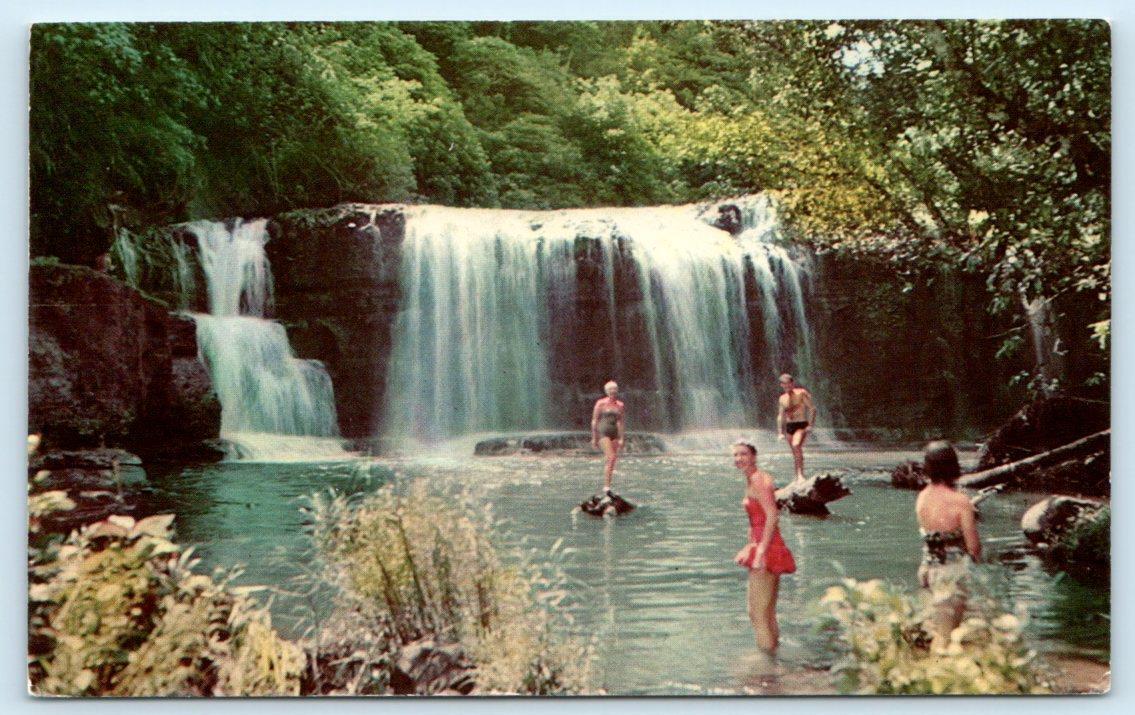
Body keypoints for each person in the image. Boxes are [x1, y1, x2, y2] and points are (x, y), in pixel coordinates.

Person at [914, 440, 981, 649]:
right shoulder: (961, 501)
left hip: (927, 570)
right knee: (948, 638)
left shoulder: (922, 497)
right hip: (950, 574)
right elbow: (974, 548)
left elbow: (934, 533)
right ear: (953, 467)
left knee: (935, 631)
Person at [732, 441, 796, 654]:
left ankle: (766, 664)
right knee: (767, 611)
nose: (739, 459)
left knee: (756, 612)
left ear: (754, 456)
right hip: (765, 543)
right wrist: (751, 544)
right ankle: (773, 656)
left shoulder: (759, 480)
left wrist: (759, 552)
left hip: (766, 546)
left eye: (743, 454)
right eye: (736, 455)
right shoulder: (754, 478)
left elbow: (772, 516)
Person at [776, 374, 816, 482]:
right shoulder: (782, 398)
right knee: (795, 451)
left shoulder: (801, 393)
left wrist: (810, 425)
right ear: (781, 385)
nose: (787, 386)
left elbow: (812, 408)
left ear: (792, 383)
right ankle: (798, 475)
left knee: (796, 445)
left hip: (801, 424)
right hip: (790, 426)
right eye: (784, 384)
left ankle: (800, 475)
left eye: (789, 383)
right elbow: (781, 415)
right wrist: (780, 432)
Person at [590, 380, 625, 496]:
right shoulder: (601, 403)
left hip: (614, 432)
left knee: (612, 461)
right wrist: (594, 437)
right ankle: (606, 487)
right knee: (611, 457)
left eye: (614, 389)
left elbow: (620, 422)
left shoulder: (620, 405)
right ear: (606, 391)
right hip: (603, 431)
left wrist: (621, 438)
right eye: (610, 389)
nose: (613, 391)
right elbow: (595, 420)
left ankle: (608, 487)